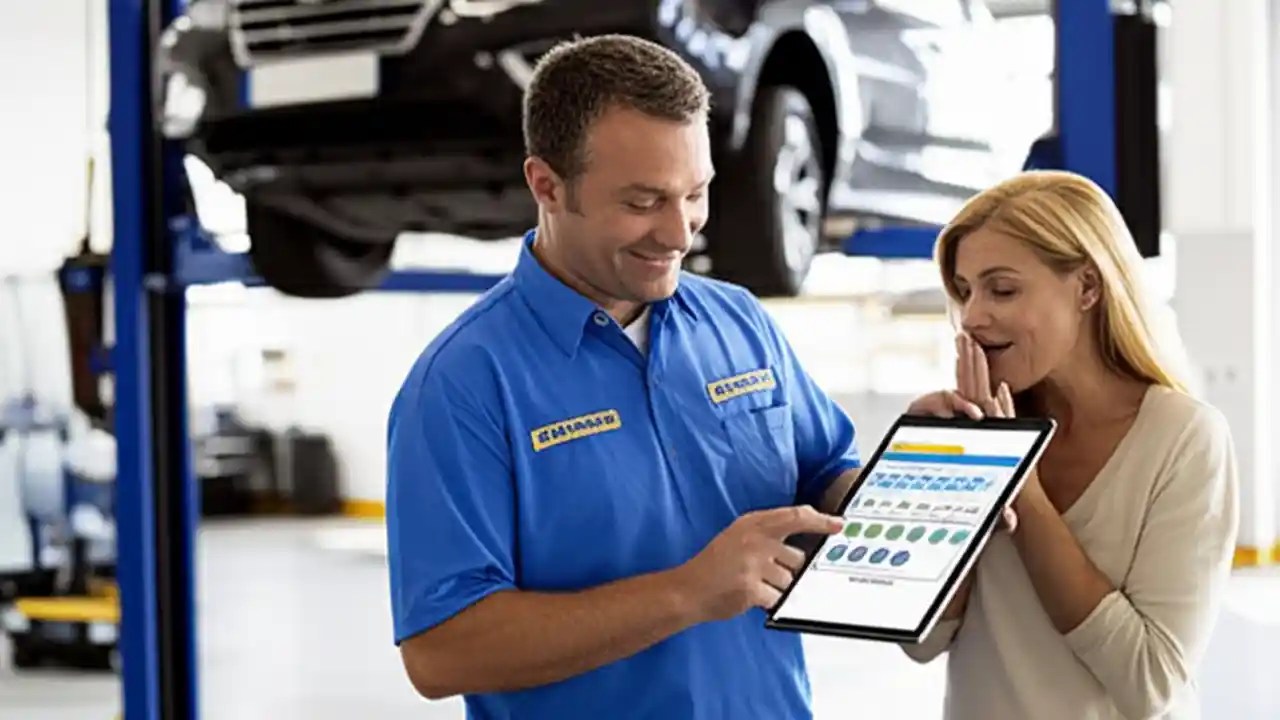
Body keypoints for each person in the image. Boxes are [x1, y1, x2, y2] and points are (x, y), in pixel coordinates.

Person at [384, 34, 867, 719]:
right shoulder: (463, 384)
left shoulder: (738, 323)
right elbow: (441, 652)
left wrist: (924, 476)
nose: (680, 233)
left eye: (695, 193)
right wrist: (686, 593)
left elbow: (826, 473)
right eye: (642, 202)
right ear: (546, 185)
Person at [902, 170, 1240, 720]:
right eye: (965, 291)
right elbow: (921, 642)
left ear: (1087, 286)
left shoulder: (1185, 439)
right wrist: (944, 471)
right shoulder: (971, 427)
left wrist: (1025, 495)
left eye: (1002, 289)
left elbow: (1150, 683)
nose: (973, 316)